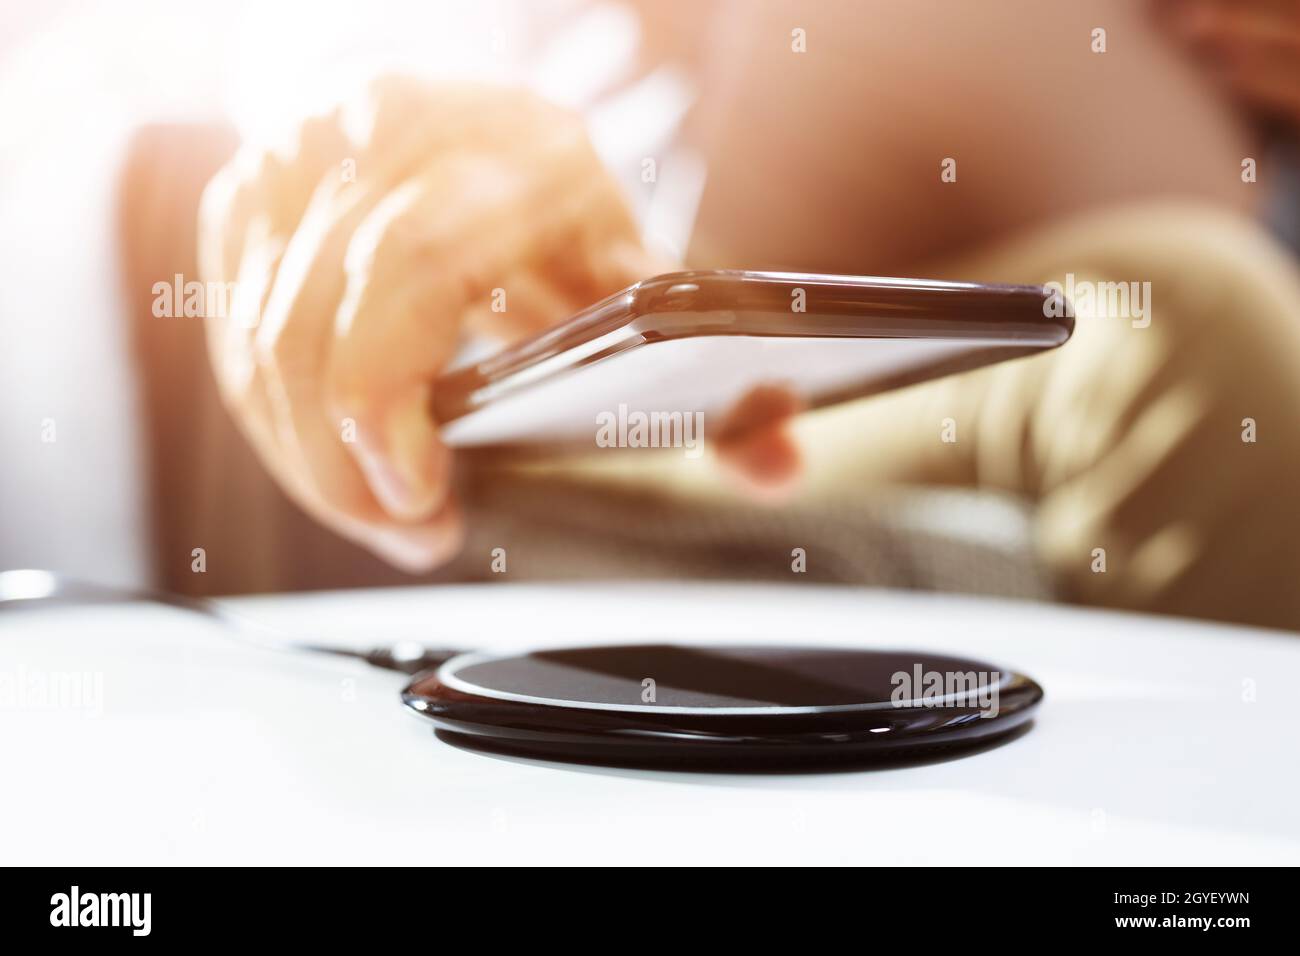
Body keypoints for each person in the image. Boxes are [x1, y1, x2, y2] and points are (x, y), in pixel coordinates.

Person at [120, 0, 1300, 629]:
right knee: (1186, 344)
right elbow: (352, 59)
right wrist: (384, 140)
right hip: (677, 348)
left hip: (1172, 218)